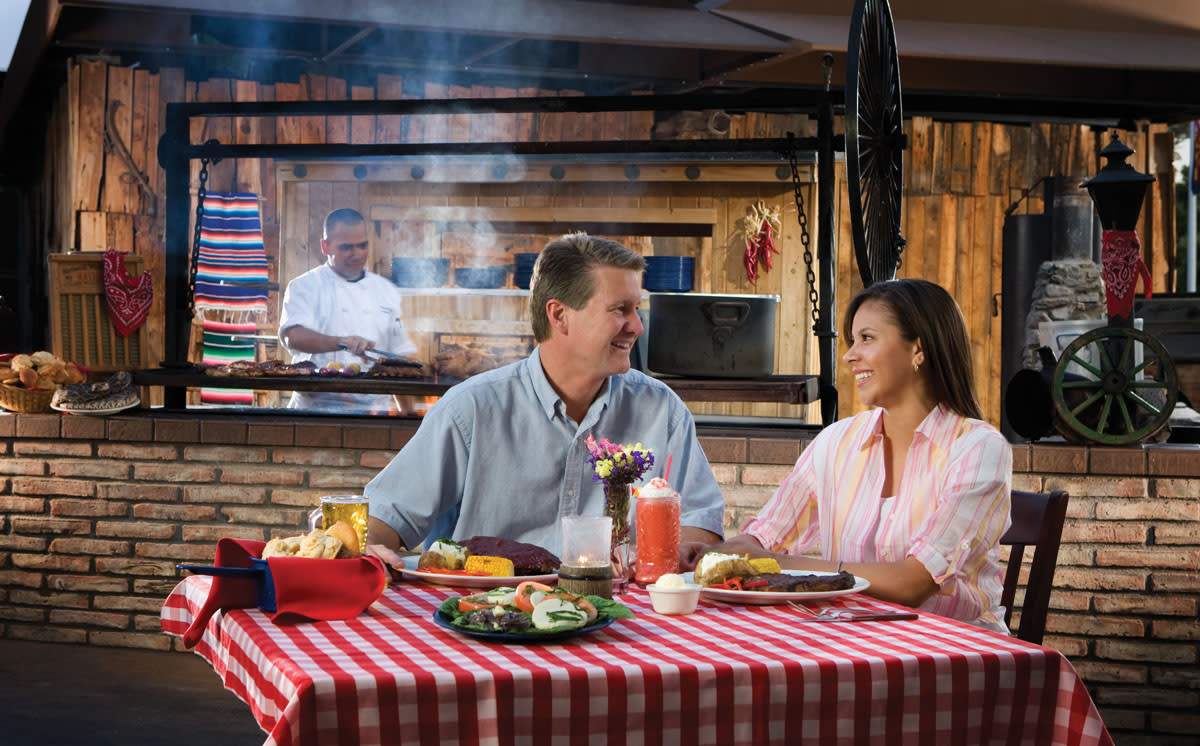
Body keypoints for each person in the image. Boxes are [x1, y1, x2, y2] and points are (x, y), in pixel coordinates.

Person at [364, 233, 724, 560]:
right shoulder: (469, 410)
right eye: (620, 309)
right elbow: (383, 520)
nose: (638, 326)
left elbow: (699, 527)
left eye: (637, 308)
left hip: (624, 620)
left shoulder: (663, 410)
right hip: (485, 617)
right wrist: (365, 549)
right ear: (559, 315)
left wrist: (672, 555)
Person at [706, 279, 1012, 633]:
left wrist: (775, 563)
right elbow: (762, 538)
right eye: (853, 341)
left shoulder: (977, 449)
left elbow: (912, 584)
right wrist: (718, 553)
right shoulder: (836, 442)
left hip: (955, 653)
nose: (851, 355)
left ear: (918, 349)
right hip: (855, 641)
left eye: (867, 338)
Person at [278, 208, 416, 413]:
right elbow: (293, 337)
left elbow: (396, 360)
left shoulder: (384, 290)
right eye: (346, 247)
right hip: (314, 411)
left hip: (373, 414)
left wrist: (408, 414)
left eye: (363, 245)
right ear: (325, 247)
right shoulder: (304, 286)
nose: (357, 254)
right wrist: (342, 342)